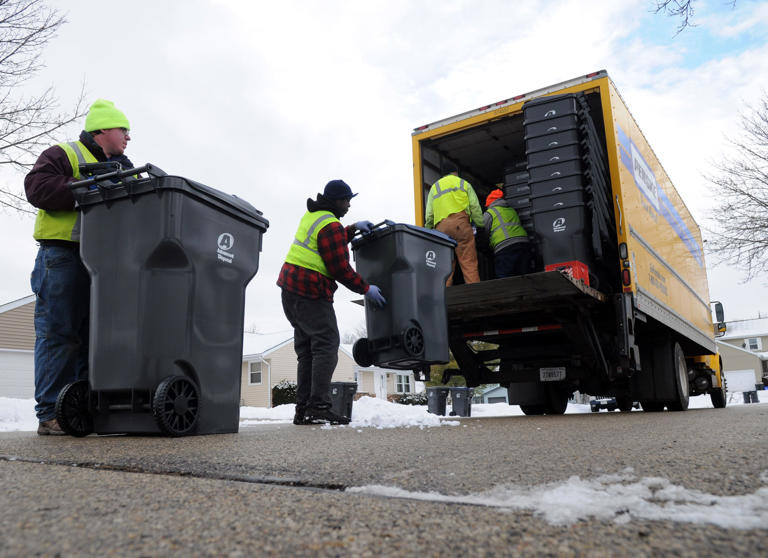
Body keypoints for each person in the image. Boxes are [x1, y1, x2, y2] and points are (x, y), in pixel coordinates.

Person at [25, 99, 133, 435]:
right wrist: (87, 190)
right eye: (123, 130)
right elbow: (37, 187)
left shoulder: (121, 165)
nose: (128, 137)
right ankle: (50, 413)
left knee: (91, 338)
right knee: (59, 334)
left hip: (101, 262)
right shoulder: (64, 154)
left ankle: (78, 411)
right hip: (62, 257)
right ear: (103, 130)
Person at [277, 179, 386, 425]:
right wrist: (366, 288)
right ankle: (318, 406)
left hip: (290, 290)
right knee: (327, 345)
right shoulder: (330, 225)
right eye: (346, 200)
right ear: (336, 201)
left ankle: (303, 410)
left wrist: (353, 228)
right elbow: (339, 267)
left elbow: (329, 242)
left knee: (307, 352)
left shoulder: (316, 217)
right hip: (310, 292)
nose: (348, 205)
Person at [424, 162, 484, 285]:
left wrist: (429, 231)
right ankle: (476, 293)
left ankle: (444, 298)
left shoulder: (435, 188)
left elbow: (429, 215)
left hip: (441, 230)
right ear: (455, 172)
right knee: (468, 263)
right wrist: (480, 225)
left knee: (445, 267)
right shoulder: (463, 183)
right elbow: (475, 207)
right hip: (461, 225)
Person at [482, 188, 530, 278]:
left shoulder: (489, 213)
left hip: (505, 248)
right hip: (524, 243)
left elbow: (484, 232)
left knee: (504, 277)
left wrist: (485, 247)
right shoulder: (512, 210)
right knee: (524, 275)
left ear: (489, 203)